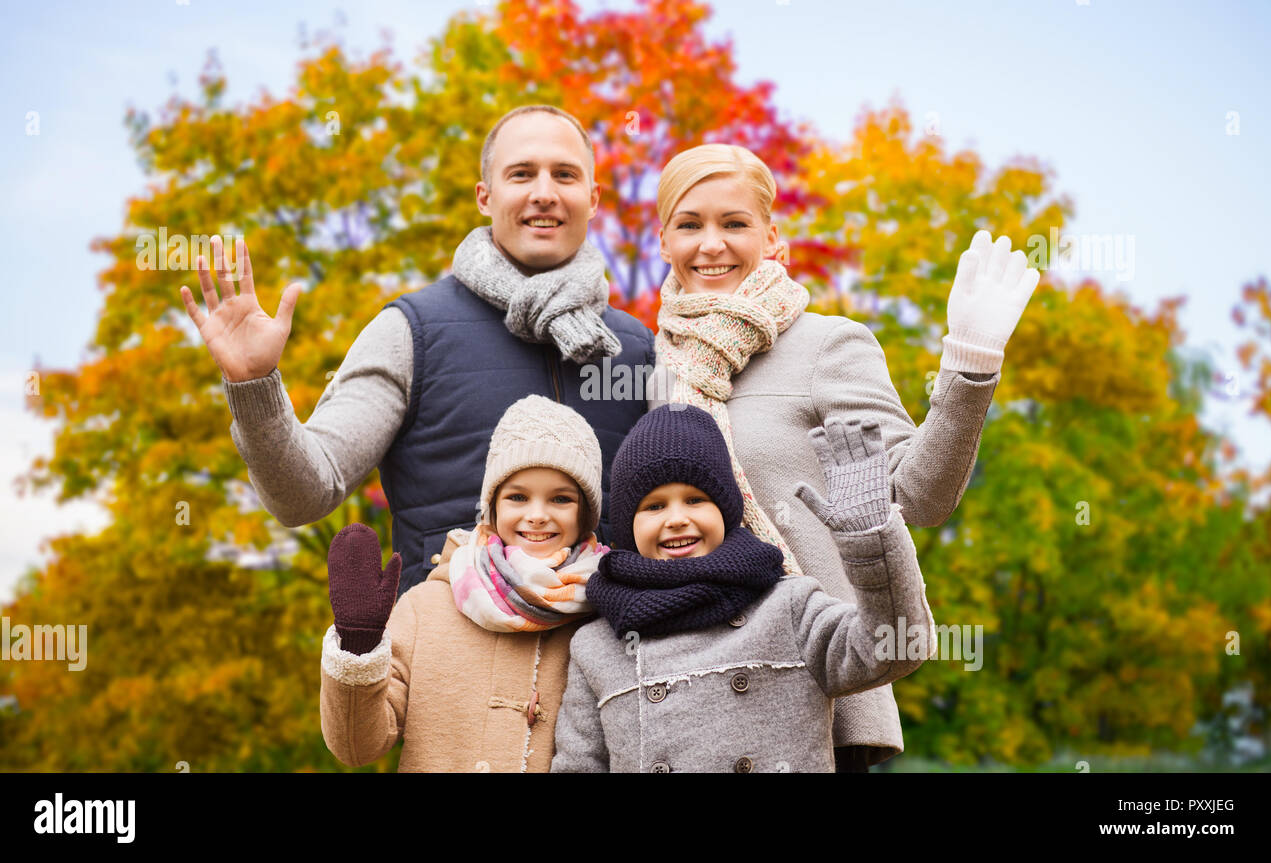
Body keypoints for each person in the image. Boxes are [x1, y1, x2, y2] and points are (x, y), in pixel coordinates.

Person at [648, 143, 1039, 770]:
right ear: (665, 240)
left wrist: (969, 364)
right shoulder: (647, 368)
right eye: (690, 224)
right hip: (682, 698)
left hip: (817, 687)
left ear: (772, 236)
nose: (711, 243)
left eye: (735, 223)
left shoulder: (827, 345)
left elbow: (920, 497)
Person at [180, 105, 654, 597]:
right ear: (484, 196)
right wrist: (255, 387)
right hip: (449, 655)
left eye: (564, 174)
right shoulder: (411, 333)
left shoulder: (636, 350)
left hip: (603, 659)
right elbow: (304, 494)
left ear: (593, 197)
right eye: (521, 174)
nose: (544, 192)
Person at [550, 404, 935, 772]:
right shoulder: (596, 645)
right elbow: (578, 766)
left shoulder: (788, 605)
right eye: (654, 506)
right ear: (626, 525)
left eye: (695, 499)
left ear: (726, 510)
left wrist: (871, 541)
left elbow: (897, 647)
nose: (677, 519)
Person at [320, 396, 610, 772]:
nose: (537, 515)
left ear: (585, 512)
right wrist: (358, 647)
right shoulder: (426, 607)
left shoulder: (605, 610)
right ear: (492, 505)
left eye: (560, 499)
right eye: (518, 497)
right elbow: (357, 748)